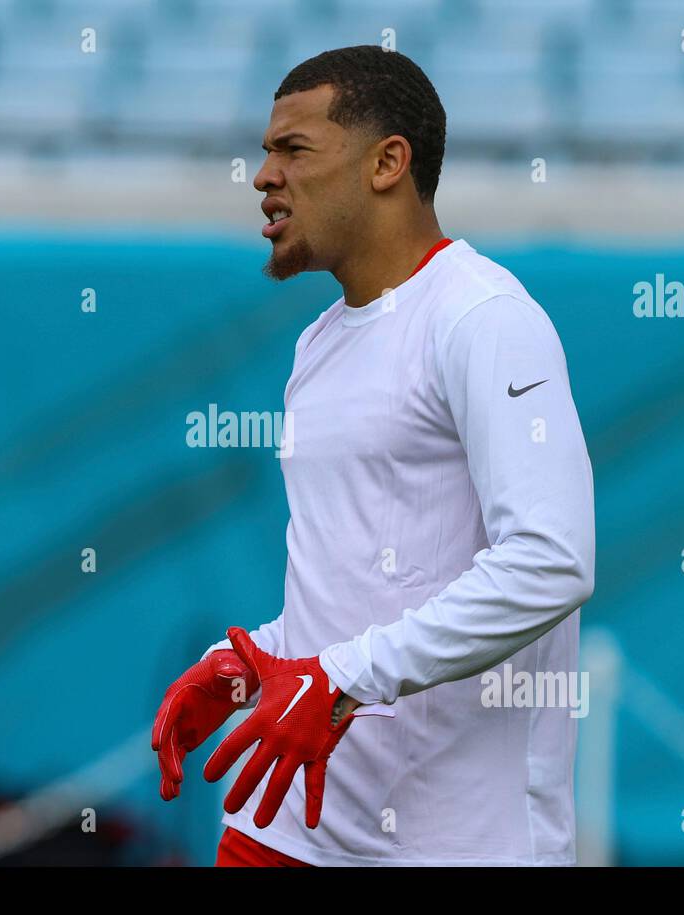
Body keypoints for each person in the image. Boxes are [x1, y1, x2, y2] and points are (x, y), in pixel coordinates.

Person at [153, 45, 595, 866]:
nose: (262, 176)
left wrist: (341, 678)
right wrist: (244, 665)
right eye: (265, 151)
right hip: (285, 825)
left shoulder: (487, 320)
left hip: (458, 842)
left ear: (388, 162)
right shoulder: (316, 346)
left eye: (293, 150)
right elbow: (351, 596)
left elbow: (551, 562)